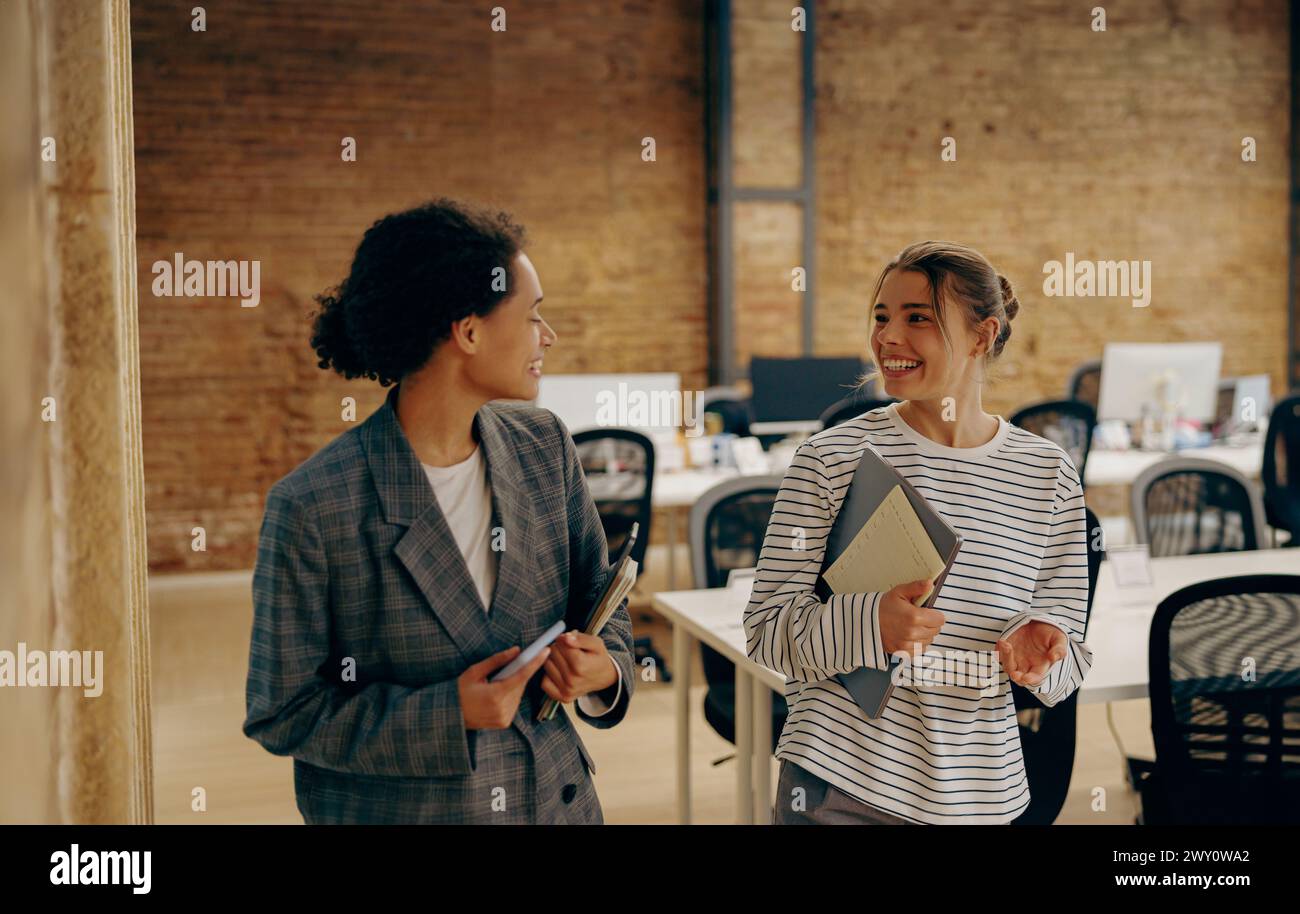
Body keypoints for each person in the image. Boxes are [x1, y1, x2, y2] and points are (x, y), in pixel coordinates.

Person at [243, 198, 634, 824]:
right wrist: (446, 714)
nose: (548, 335)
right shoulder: (315, 505)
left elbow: (600, 602)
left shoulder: (545, 447)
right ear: (469, 331)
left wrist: (604, 669)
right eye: (532, 316)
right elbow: (282, 710)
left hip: (555, 805)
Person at [745, 240, 1093, 824]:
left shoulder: (1048, 475)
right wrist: (869, 623)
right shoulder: (830, 459)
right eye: (881, 317)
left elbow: (1069, 663)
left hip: (980, 797)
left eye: (917, 319)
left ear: (982, 337)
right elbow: (766, 634)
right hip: (839, 783)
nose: (888, 338)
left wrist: (1044, 651)